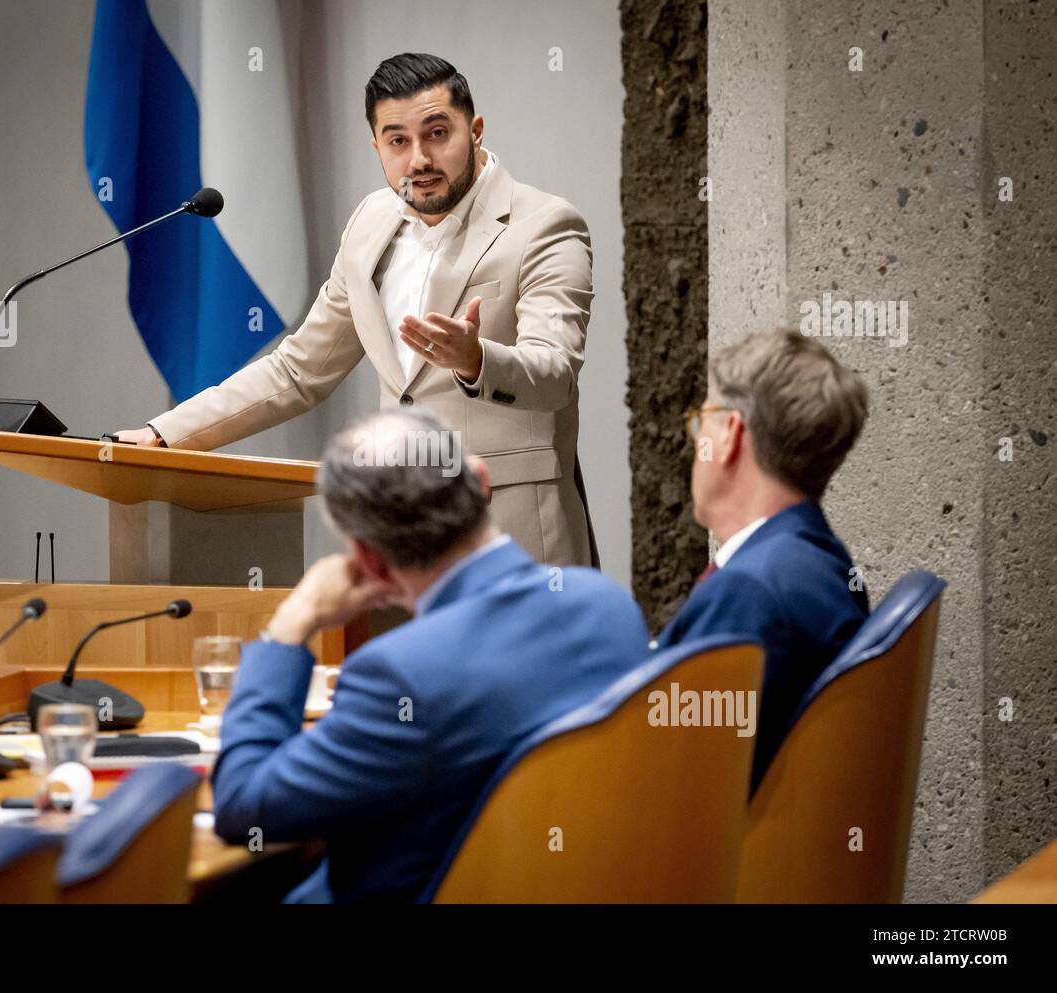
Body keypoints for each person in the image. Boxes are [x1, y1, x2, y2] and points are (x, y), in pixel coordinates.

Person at [117, 53, 598, 566]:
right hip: (403, 532)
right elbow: (300, 370)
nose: (419, 160)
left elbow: (555, 374)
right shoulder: (370, 223)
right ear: (377, 146)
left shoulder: (545, 225)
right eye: (398, 141)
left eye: (437, 133)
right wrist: (165, 434)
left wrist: (476, 360)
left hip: (516, 533)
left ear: (475, 129)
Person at [210, 408, 649, 902]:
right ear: (481, 482)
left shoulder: (399, 674)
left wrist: (291, 625)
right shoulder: (607, 604)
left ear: (368, 558)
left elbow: (244, 808)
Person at [653, 329, 872, 790]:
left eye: (701, 422)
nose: (696, 442)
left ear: (731, 433)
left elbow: (673, 782)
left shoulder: (751, 592)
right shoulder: (822, 563)